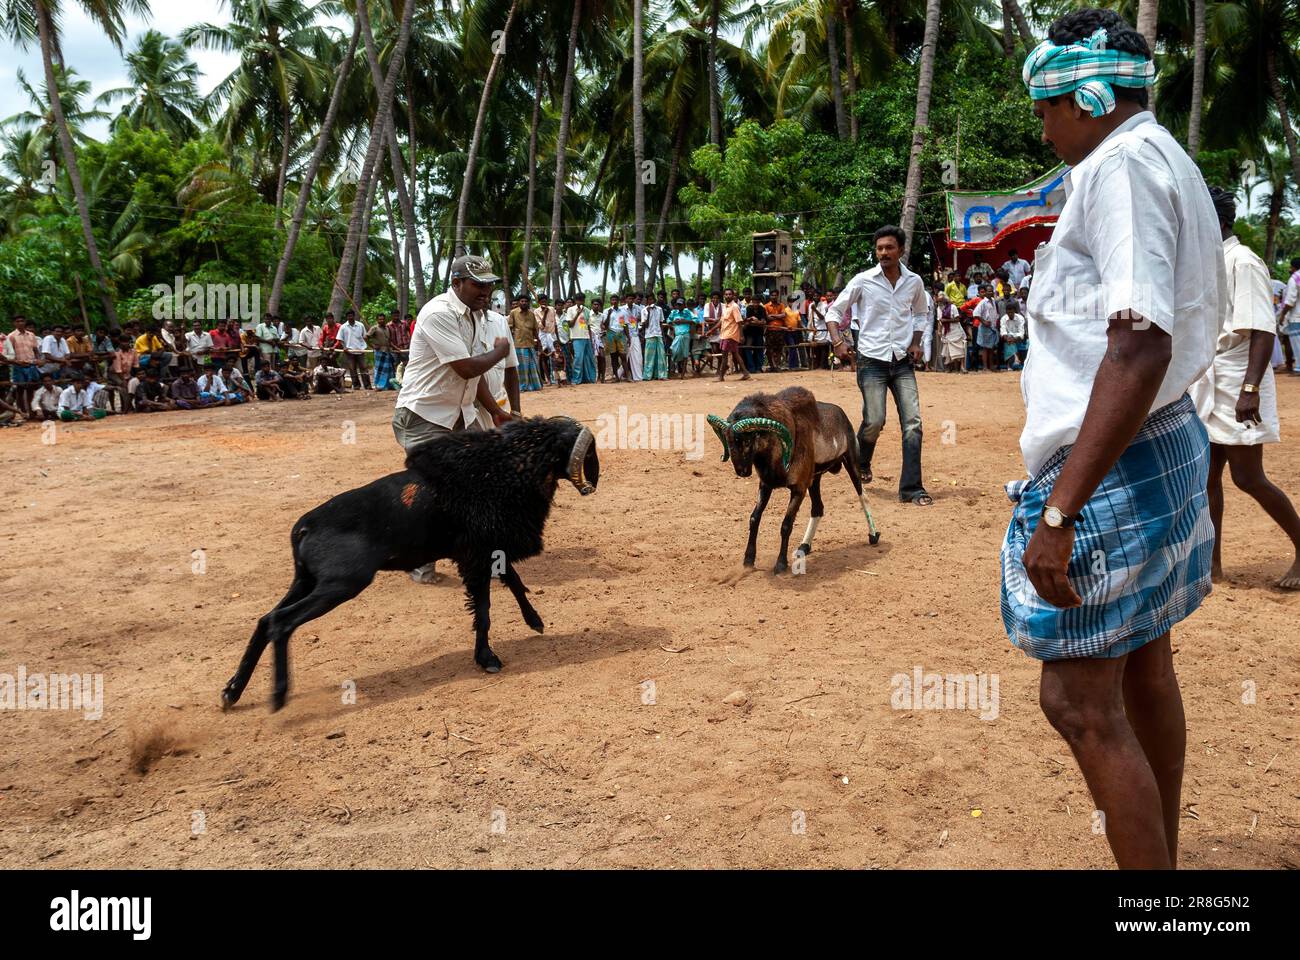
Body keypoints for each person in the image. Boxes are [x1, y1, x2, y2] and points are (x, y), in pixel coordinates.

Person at [1003, 8, 1223, 870]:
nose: (1042, 123)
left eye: (1045, 107)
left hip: (1114, 465)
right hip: (1163, 439)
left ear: (1086, 97)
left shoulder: (1121, 166)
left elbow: (1138, 341)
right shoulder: (1162, 156)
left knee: (1079, 702)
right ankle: (1160, 866)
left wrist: (1059, 514)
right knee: (1144, 667)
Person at [1190, 186, 1300, 590]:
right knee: (1207, 477)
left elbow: (1262, 329)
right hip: (1212, 380)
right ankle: (1212, 565)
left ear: (1216, 222)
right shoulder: (1211, 262)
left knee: (1248, 477)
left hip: (1240, 378)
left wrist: (1250, 388)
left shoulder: (1243, 261)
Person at [393, 254, 513, 583]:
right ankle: (420, 564)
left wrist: (497, 411)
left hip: (460, 414)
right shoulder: (438, 314)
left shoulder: (475, 317)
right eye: (478, 284)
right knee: (433, 492)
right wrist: (500, 352)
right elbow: (466, 368)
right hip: (423, 415)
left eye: (489, 285)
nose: (485, 291)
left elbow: (471, 381)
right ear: (457, 283)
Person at [827, 224, 932, 506]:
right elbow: (834, 311)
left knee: (913, 424)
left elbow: (922, 314)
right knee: (874, 421)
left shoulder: (914, 282)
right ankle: (861, 461)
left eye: (889, 248)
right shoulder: (863, 280)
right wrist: (838, 341)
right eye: (879, 248)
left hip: (902, 362)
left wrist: (916, 342)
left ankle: (911, 489)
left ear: (900, 250)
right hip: (871, 360)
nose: (884, 252)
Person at [509, 294, 542, 392]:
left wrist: (538, 342)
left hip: (530, 343)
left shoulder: (531, 314)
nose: (524, 303)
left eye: (526, 301)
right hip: (519, 344)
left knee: (533, 365)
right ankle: (522, 387)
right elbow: (510, 328)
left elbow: (535, 329)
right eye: (522, 301)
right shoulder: (513, 313)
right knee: (522, 368)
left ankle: (535, 385)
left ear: (528, 303)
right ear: (519, 302)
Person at [715, 288, 749, 382]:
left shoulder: (734, 307)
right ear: (724, 295)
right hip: (725, 333)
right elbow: (721, 321)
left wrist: (741, 335)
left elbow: (739, 322)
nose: (728, 296)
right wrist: (711, 330)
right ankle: (745, 373)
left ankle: (721, 376)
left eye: (730, 294)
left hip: (730, 334)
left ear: (733, 295)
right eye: (726, 294)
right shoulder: (725, 307)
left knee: (725, 355)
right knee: (735, 354)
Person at [564, 293, 597, 385]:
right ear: (576, 300)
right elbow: (570, 324)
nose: (580, 301)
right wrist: (577, 314)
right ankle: (576, 379)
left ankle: (590, 378)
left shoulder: (586, 310)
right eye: (578, 299)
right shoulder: (570, 310)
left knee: (589, 358)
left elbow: (589, 326)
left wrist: (590, 339)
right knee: (578, 358)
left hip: (586, 337)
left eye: (582, 299)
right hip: (576, 337)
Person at [336, 310, 371, 390]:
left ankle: (367, 385)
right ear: (347, 317)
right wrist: (344, 347)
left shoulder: (360, 325)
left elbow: (364, 336)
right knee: (352, 369)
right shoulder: (343, 327)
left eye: (352, 315)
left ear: (354, 316)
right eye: (349, 316)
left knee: (363, 368)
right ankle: (356, 385)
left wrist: (368, 346)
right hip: (349, 351)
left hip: (360, 350)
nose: (350, 317)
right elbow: (340, 339)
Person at [1278, 255, 1300, 374]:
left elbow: (1290, 300)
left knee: (1297, 343)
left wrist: (1282, 315)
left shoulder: (1294, 278)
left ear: (1293, 267)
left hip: (1296, 317)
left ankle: (1299, 367)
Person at [974, 283, 1001, 371]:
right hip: (985, 327)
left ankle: (991, 366)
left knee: (991, 347)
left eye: (992, 291)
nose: (991, 292)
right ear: (985, 292)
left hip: (992, 327)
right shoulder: (983, 302)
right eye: (989, 291)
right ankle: (985, 367)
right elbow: (975, 314)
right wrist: (983, 321)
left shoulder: (993, 300)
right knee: (985, 348)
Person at [642, 292, 668, 380]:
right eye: (649, 299)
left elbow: (661, 323)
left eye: (652, 299)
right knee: (649, 357)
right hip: (649, 335)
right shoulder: (644, 310)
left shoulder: (659, 309)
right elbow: (645, 325)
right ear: (647, 301)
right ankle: (647, 376)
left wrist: (663, 335)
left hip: (658, 334)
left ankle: (661, 375)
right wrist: (648, 313)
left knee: (661, 356)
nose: (651, 301)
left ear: (654, 299)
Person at [1000, 299, 1027, 371]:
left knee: (1011, 342)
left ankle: (1010, 364)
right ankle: (1015, 360)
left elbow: (1022, 333)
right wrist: (1008, 338)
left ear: (1014, 311)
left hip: (1019, 338)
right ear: (1006, 312)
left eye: (1011, 312)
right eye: (1008, 312)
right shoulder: (1003, 318)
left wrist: (1014, 339)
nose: (1010, 314)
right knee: (1009, 342)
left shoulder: (1020, 318)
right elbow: (1003, 331)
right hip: (1008, 339)